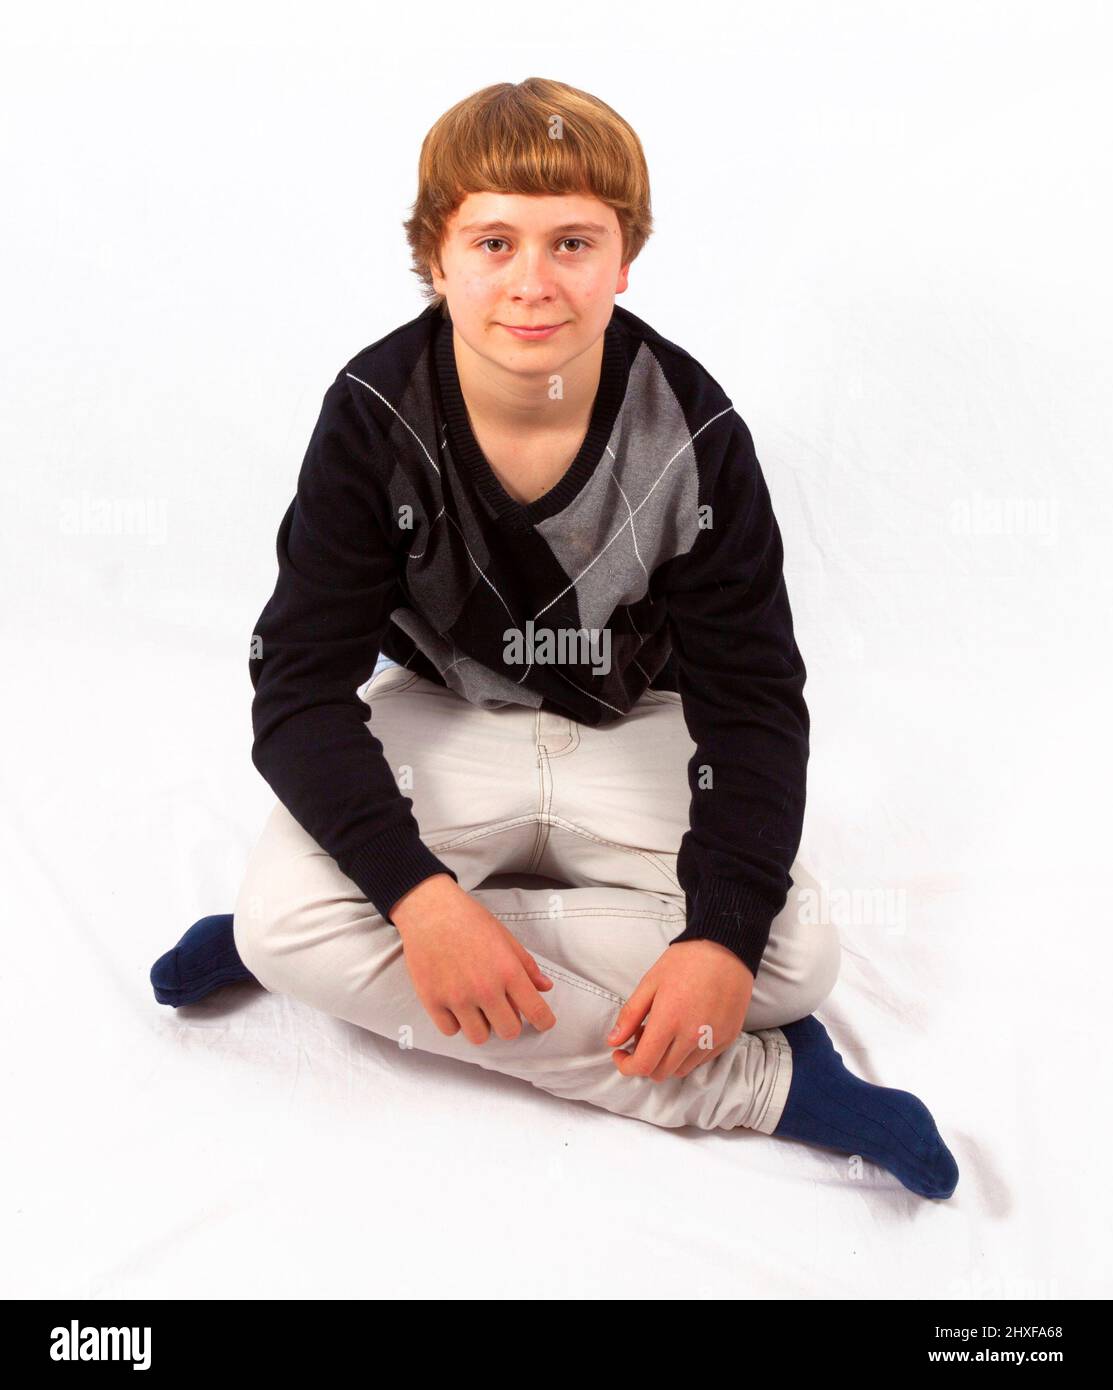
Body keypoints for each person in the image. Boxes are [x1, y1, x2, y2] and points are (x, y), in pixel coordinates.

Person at [153, 77, 958, 1199]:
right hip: (448, 720)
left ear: (624, 258)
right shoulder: (371, 414)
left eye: (572, 241)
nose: (533, 281)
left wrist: (717, 941)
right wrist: (422, 900)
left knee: (791, 957)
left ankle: (310, 942)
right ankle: (757, 1087)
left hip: (634, 729)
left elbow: (755, 702)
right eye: (495, 240)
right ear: (437, 257)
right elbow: (295, 684)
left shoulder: (693, 428)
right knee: (296, 922)